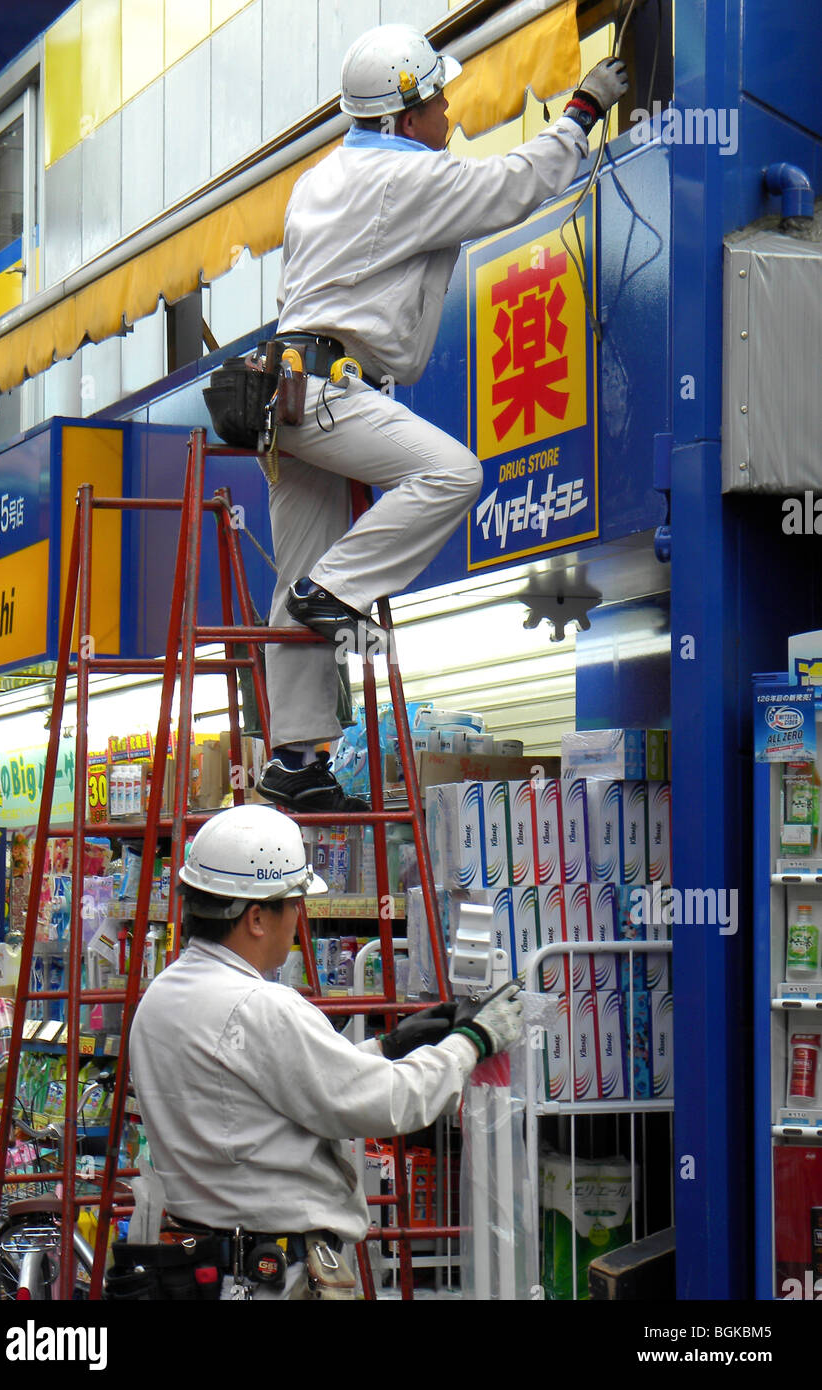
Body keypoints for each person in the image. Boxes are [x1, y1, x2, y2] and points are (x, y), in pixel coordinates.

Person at [254, 24, 628, 813]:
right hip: (328, 391)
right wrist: (583, 109)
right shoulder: (406, 179)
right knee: (453, 472)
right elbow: (515, 185)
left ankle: (292, 759)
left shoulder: (321, 179)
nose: (447, 110)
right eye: (435, 100)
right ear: (400, 116)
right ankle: (340, 592)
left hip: (280, 397)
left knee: (296, 577)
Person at [126, 805, 524, 1300]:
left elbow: (273, 1092)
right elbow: (389, 1103)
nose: (298, 918)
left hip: (208, 1266)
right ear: (255, 917)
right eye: (293, 904)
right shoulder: (258, 1006)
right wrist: (474, 1042)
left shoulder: (162, 998)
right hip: (272, 1274)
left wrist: (391, 1045)